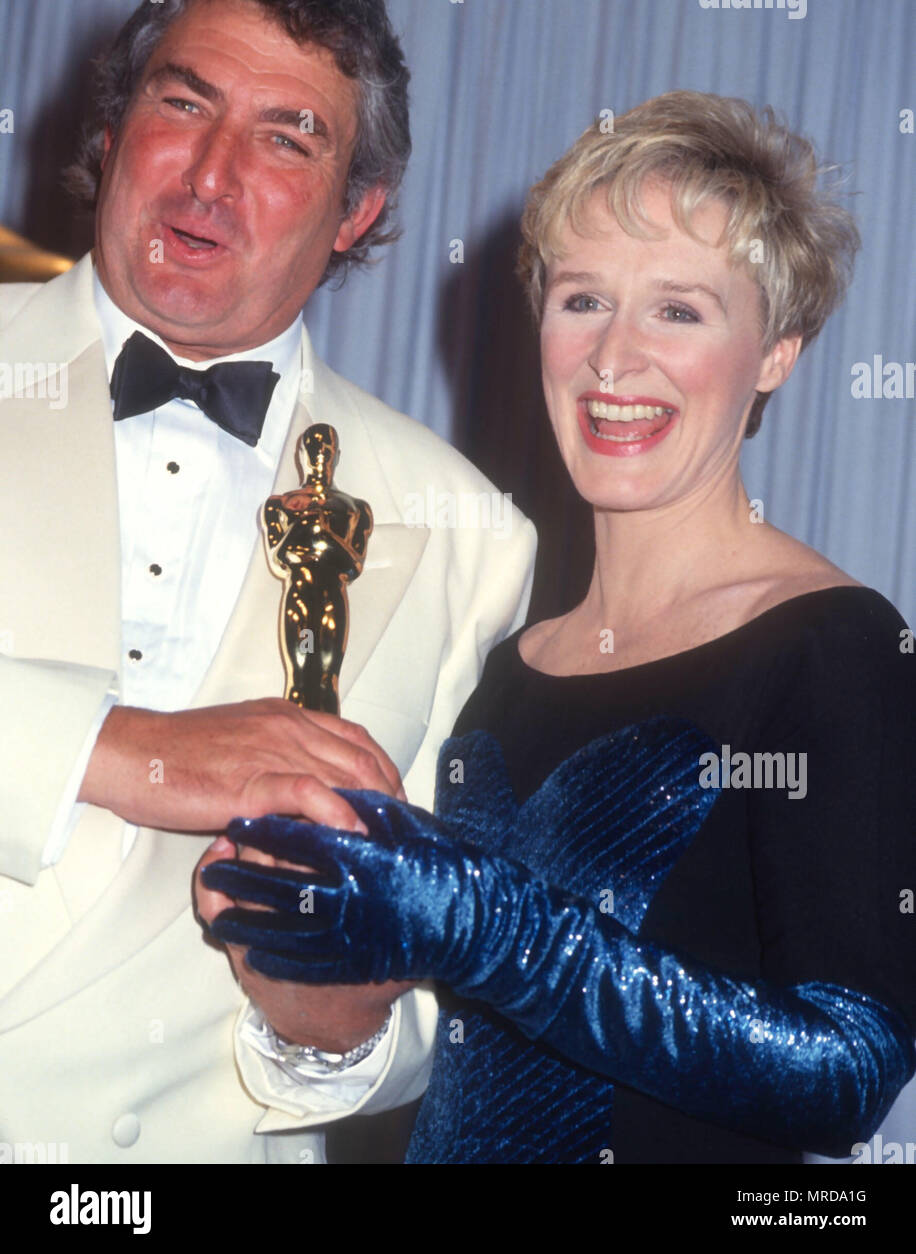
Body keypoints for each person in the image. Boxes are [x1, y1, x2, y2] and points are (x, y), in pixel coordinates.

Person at [204, 91, 916, 1163]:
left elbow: (846, 1068)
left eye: (677, 310)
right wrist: (317, 973)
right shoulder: (505, 666)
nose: (612, 358)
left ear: (776, 352)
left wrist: (478, 921)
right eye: (582, 299)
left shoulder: (836, 647)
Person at [0, 0, 535, 1164]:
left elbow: (449, 1003)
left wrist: (329, 1030)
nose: (208, 176)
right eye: (183, 104)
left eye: (287, 138)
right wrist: (123, 751)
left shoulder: (473, 541)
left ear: (357, 212)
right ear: (117, 125)